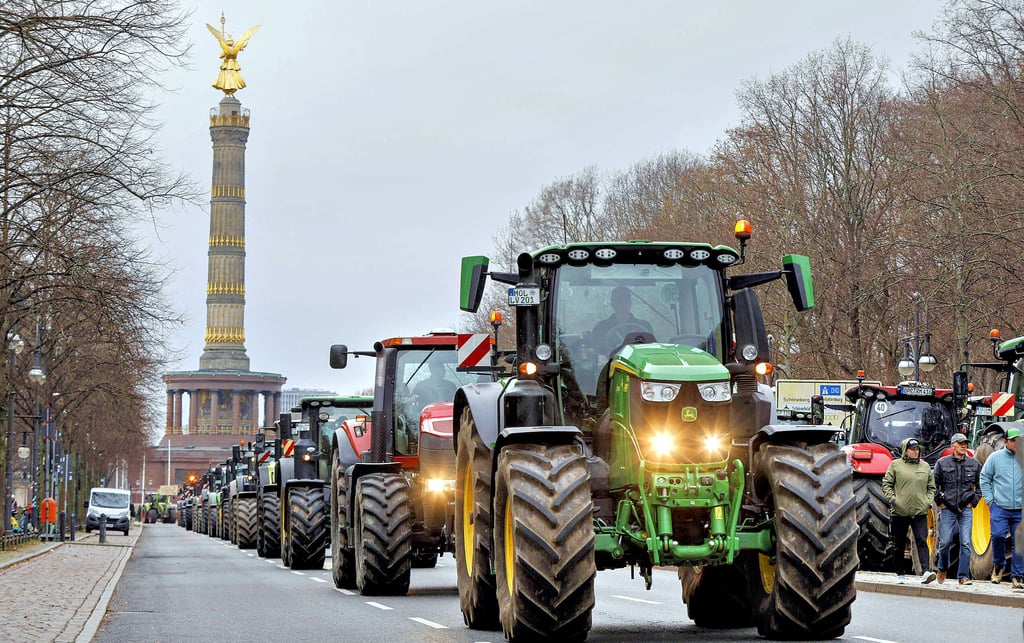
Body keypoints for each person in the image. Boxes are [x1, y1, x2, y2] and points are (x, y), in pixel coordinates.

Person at [882, 437, 937, 584]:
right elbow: (886, 484)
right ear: (905, 451)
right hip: (900, 512)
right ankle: (900, 573)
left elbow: (931, 487)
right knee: (899, 544)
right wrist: (894, 500)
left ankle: (926, 571)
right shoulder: (895, 465)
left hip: (920, 511)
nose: (915, 452)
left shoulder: (925, 467)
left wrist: (928, 502)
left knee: (921, 541)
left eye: (917, 449)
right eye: (912, 449)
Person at [933, 432, 982, 584]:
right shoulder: (942, 463)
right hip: (947, 508)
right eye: (960, 443)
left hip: (966, 509)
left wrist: (973, 501)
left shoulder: (974, 464)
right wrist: (940, 502)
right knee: (945, 541)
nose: (963, 446)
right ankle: (942, 568)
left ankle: (963, 576)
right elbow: (934, 485)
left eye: (965, 443)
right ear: (952, 445)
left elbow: (981, 486)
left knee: (966, 542)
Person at [980, 426, 1023, 587]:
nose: (1016, 444)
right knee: (997, 536)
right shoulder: (995, 458)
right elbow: (984, 478)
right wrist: (990, 500)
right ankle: (998, 565)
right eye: (1013, 441)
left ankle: (1017, 576)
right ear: (1005, 442)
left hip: (1020, 508)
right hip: (1000, 507)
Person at [590, 286, 653, 359]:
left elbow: (651, 350)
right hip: (609, 366)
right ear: (613, 303)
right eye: (620, 300)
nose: (624, 303)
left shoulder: (644, 326)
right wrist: (599, 357)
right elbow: (594, 350)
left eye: (627, 300)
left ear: (630, 303)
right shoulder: (601, 328)